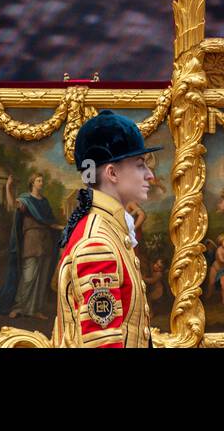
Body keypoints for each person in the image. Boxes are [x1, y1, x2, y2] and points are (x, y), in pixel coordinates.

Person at [53, 109, 159, 347]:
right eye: (140, 165)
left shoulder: (110, 229)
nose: (150, 175)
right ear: (112, 173)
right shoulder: (98, 242)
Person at [0, 171, 62, 319]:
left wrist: (62, 228)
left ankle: (35, 309)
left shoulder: (44, 201)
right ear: (32, 183)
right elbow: (12, 205)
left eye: (41, 181)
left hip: (46, 241)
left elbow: (50, 222)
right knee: (28, 277)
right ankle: (19, 307)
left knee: (42, 277)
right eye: (38, 180)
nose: (41, 183)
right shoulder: (26, 199)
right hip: (31, 240)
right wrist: (8, 187)